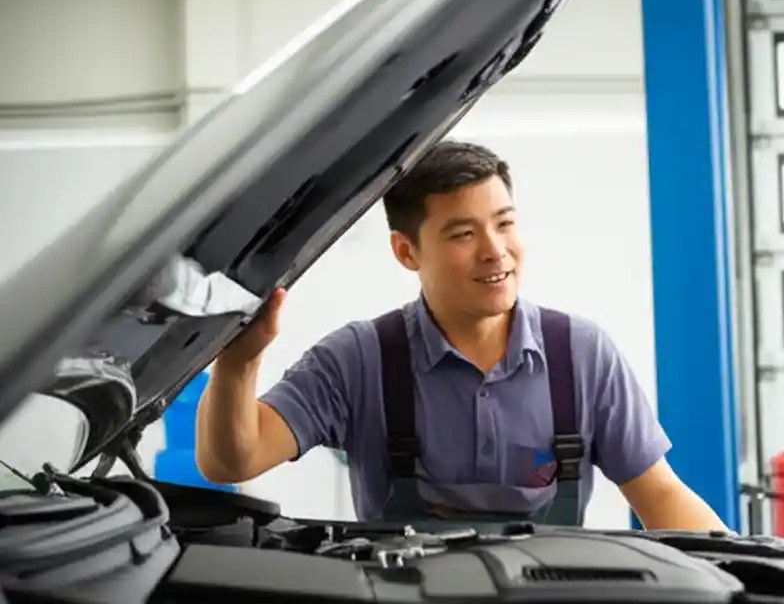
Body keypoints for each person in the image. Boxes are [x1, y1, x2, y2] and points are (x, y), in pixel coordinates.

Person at [195, 140, 727, 532]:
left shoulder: (581, 354)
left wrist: (749, 569)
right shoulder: (358, 359)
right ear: (407, 252)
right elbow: (232, 462)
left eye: (504, 223)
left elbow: (657, 491)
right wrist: (238, 362)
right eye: (463, 234)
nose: (495, 250)